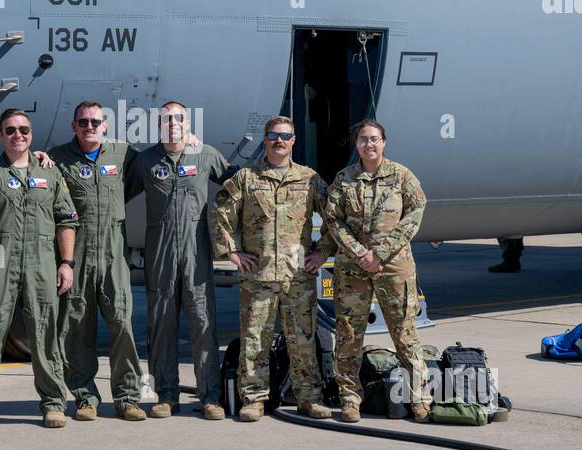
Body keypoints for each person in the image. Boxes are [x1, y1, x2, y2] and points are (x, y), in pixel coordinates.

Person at [0, 108, 78, 432]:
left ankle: (53, 403)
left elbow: (66, 219)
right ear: (1, 135)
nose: (18, 135)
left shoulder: (50, 174)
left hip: (41, 263)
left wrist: (66, 263)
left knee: (46, 335)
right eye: (10, 130)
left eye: (23, 130)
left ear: (31, 134)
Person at [209, 116, 332, 421]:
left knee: (302, 339)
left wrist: (322, 252)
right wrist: (232, 251)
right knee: (254, 340)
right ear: (265, 139)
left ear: (293, 141)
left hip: (297, 277)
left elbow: (335, 217)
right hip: (258, 276)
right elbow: (219, 213)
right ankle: (253, 398)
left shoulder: (309, 179)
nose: (279, 141)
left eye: (285, 136)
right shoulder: (246, 178)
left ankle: (308, 397)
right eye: (273, 135)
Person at [126, 101, 237, 420]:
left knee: (203, 323)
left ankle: (210, 396)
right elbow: (114, 193)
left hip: (196, 252)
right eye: (166, 119)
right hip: (159, 253)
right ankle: (167, 395)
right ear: (159, 124)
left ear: (188, 124)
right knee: (161, 325)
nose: (172, 123)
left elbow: (239, 184)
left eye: (178, 118)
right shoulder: (146, 160)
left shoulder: (206, 155)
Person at [323, 119, 433, 423]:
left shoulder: (401, 176)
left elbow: (416, 211)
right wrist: (360, 254)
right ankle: (349, 399)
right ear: (356, 144)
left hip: (394, 265)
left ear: (383, 142)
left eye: (374, 139)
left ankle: (420, 398)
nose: (368, 144)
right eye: (362, 139)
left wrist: (381, 253)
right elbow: (333, 221)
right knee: (348, 334)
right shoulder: (344, 179)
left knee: (405, 333)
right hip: (353, 268)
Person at [48, 101, 145, 421]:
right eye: (83, 122)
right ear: (73, 126)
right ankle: (85, 397)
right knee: (77, 327)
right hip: (77, 249)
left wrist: (190, 144)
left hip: (113, 251)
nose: (89, 127)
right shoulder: (58, 159)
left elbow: (142, 175)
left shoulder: (122, 153)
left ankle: (128, 396)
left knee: (122, 323)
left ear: (105, 125)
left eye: (95, 122)